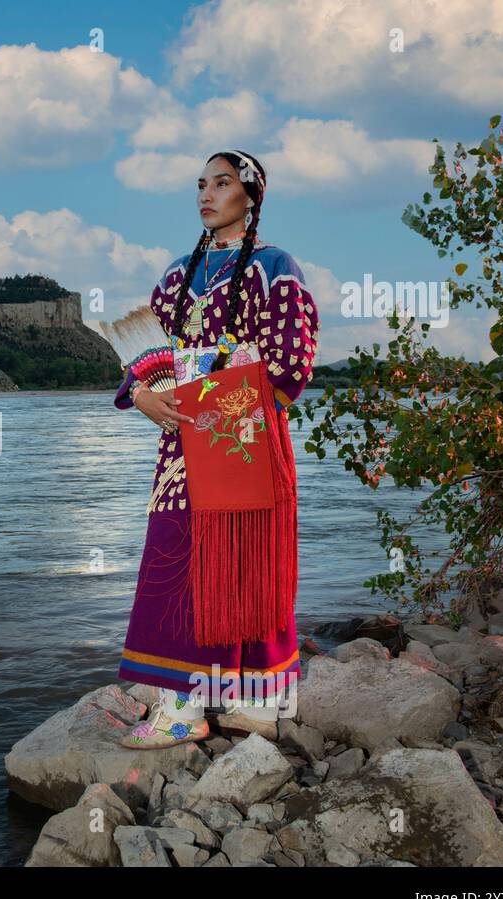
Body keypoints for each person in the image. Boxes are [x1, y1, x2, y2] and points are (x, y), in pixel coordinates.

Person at [114, 150, 320, 749]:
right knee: (177, 562)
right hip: (183, 448)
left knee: (250, 561)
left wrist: (208, 389)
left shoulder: (276, 267)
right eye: (201, 185)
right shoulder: (179, 275)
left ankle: (252, 701)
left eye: (222, 183)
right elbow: (144, 356)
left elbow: (293, 362)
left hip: (246, 434)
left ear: (251, 195)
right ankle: (182, 706)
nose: (206, 194)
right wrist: (144, 395)